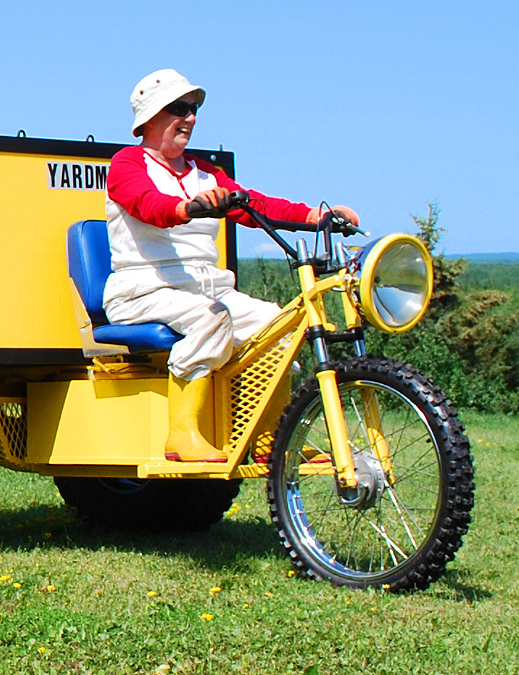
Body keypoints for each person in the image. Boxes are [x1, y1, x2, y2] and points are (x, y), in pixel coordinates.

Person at [104, 69, 359, 463]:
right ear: (150, 118)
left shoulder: (204, 172)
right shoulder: (127, 164)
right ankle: (181, 434)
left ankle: (267, 436)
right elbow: (147, 205)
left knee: (279, 327)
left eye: (193, 109)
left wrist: (317, 216)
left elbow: (255, 205)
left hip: (208, 290)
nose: (189, 117)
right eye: (178, 108)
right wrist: (188, 208)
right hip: (144, 290)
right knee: (212, 317)